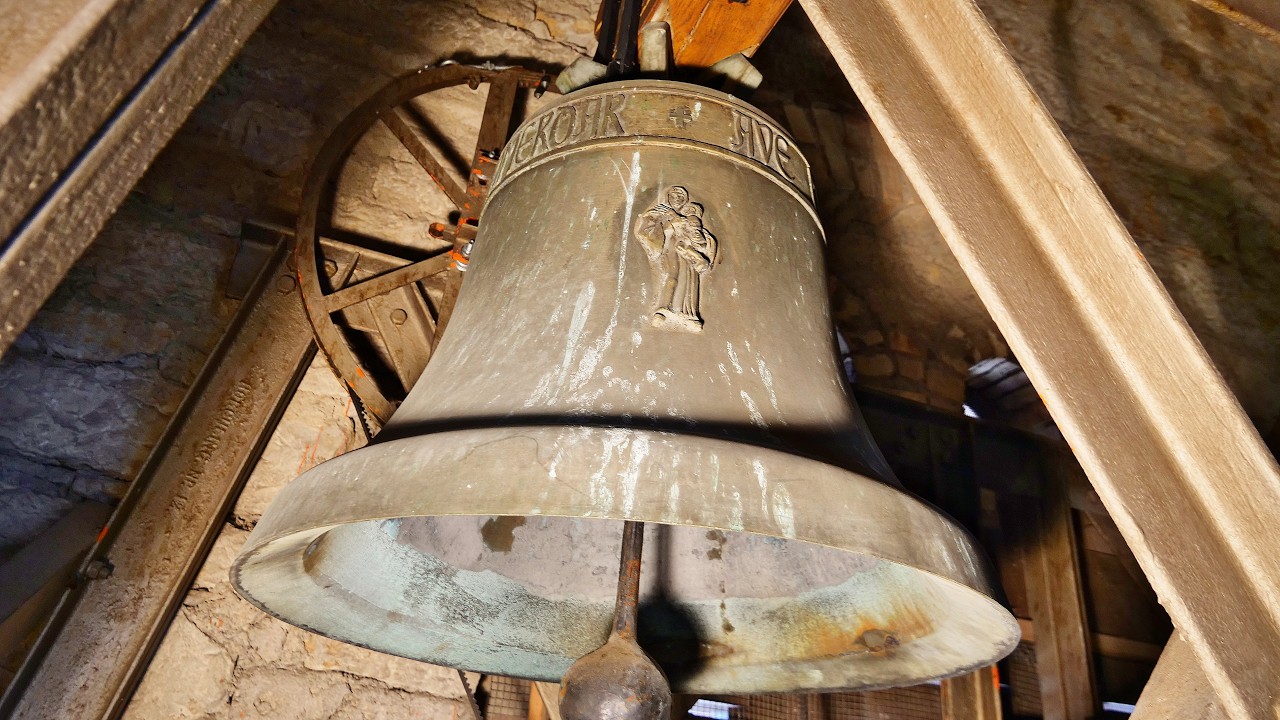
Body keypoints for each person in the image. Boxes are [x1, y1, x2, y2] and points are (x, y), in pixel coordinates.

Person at [634, 186, 718, 332]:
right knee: (672, 276)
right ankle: (663, 308)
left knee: (690, 282)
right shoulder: (661, 211)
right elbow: (651, 225)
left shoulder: (689, 219)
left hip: (687, 253)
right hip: (670, 250)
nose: (677, 198)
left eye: (681, 196)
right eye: (674, 195)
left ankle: (689, 315)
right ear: (668, 197)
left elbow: (699, 236)